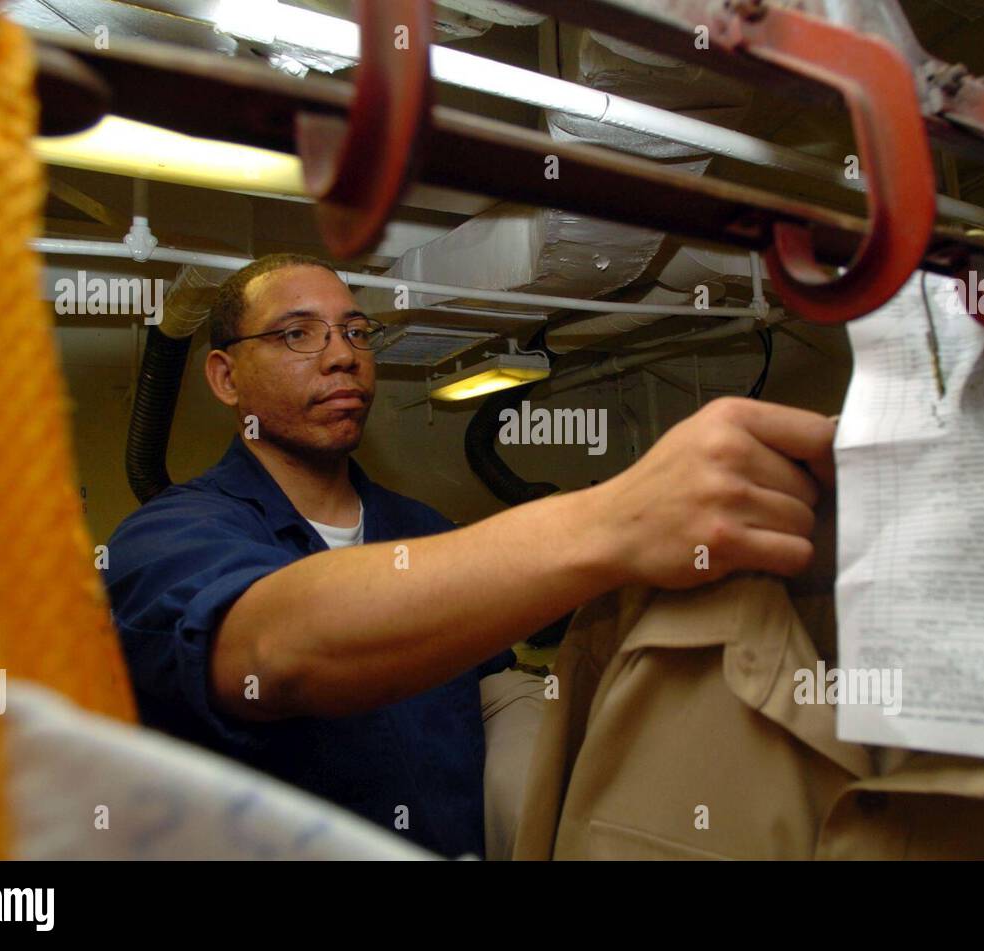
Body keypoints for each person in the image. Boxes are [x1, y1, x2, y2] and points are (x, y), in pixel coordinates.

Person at [104, 253, 836, 858]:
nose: (341, 356)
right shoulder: (167, 539)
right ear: (227, 378)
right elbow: (275, 647)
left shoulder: (424, 529)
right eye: (298, 334)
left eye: (356, 332)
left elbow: (496, 702)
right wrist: (614, 522)